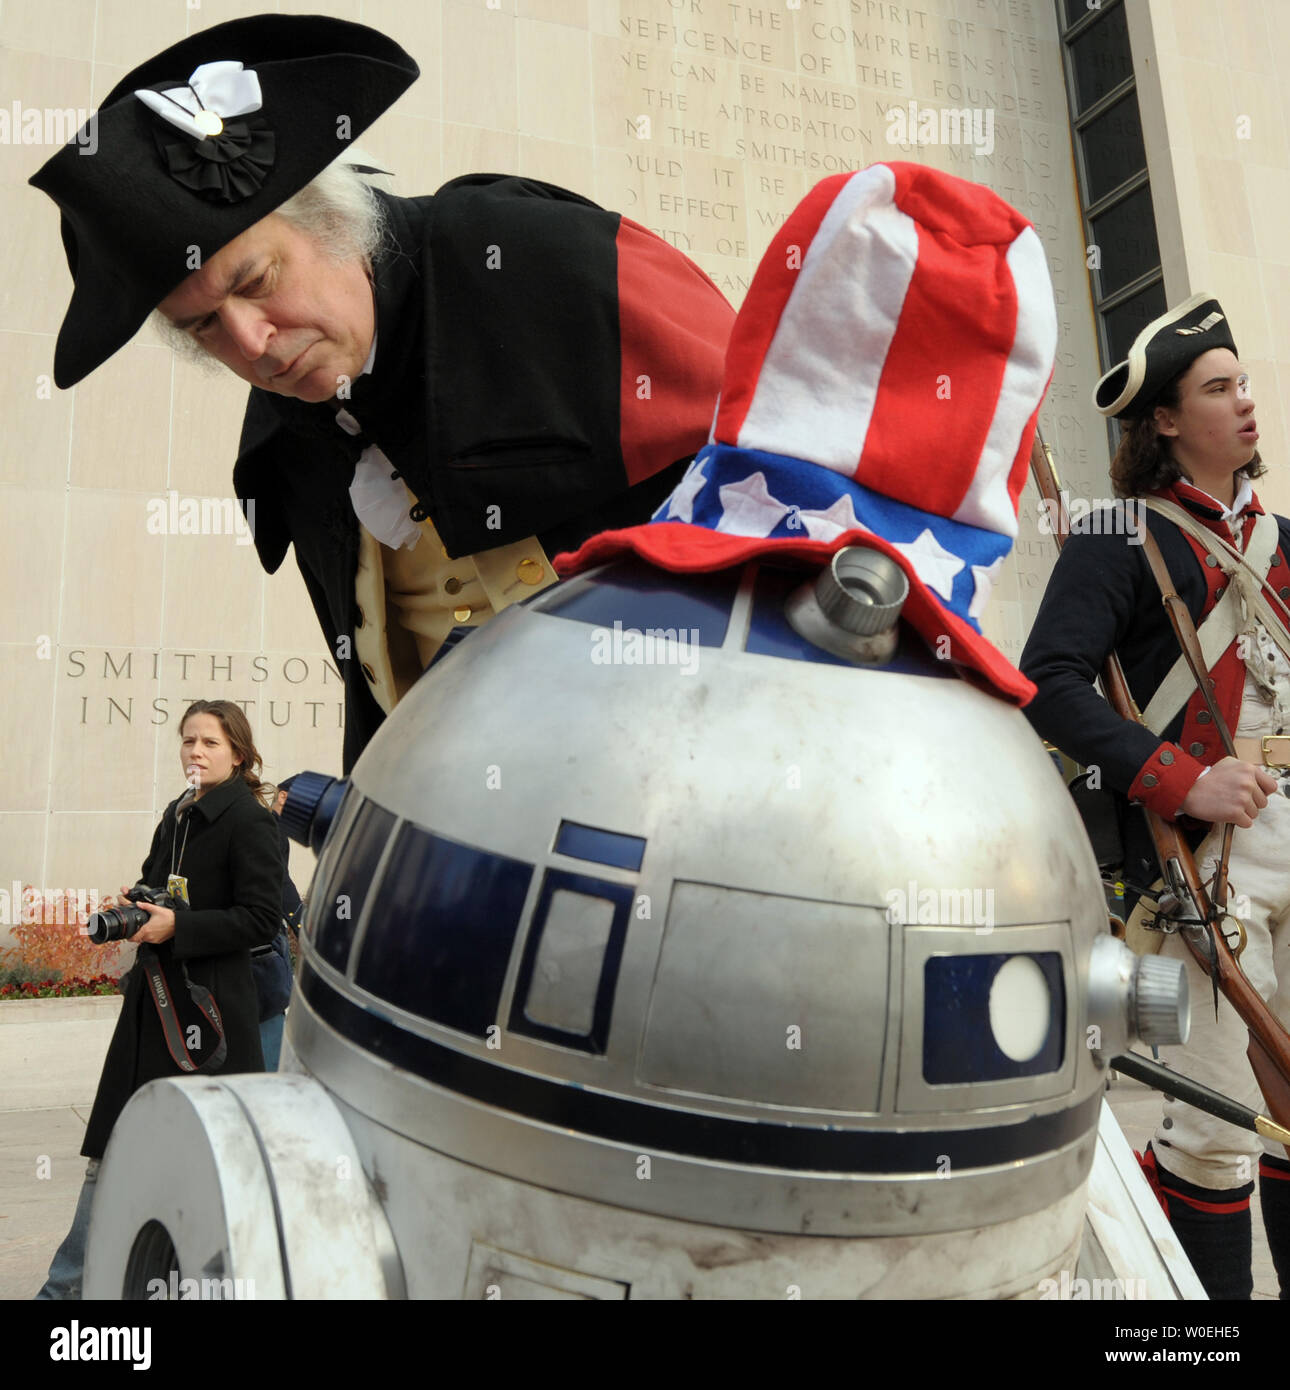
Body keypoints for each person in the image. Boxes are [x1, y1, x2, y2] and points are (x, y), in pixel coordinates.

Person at [29, 14, 735, 770]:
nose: (251, 346)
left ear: (335, 221)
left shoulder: (546, 262)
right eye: (204, 327)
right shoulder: (285, 441)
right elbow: (373, 680)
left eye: (259, 282)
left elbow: (771, 483)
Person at [1020, 294, 1290, 1299]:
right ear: (1167, 421)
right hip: (1203, 868)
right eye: (1218, 389)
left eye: (1244, 381)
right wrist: (1182, 778)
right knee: (1218, 1131)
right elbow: (1047, 681)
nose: (1245, 403)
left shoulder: (1287, 542)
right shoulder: (1119, 536)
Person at [35, 700, 282, 1299]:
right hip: (153, 1010)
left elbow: (260, 918)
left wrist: (182, 928)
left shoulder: (250, 821)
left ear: (238, 753)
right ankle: (66, 1291)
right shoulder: (177, 815)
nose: (195, 752)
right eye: (188, 740)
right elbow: (161, 882)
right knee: (114, 1152)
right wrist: (141, 904)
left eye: (211, 744)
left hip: (209, 1020)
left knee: (209, 1164)